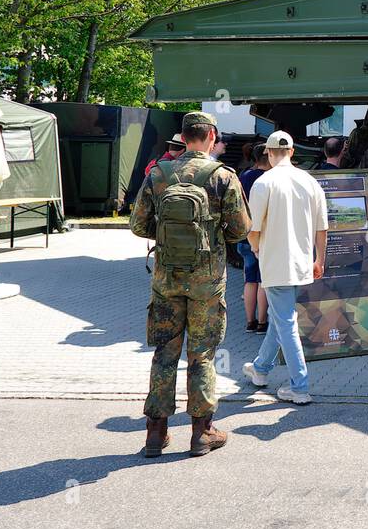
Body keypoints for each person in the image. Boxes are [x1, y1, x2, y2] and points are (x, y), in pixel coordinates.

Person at [131, 111, 250, 458]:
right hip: (206, 281)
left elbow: (138, 226)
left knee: (164, 353)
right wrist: (212, 240)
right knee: (202, 356)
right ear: (211, 136)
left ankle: (155, 434)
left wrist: (168, 238)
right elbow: (241, 229)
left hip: (166, 278)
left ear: (182, 137)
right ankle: (202, 432)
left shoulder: (158, 173)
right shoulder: (222, 176)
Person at [240, 131, 327, 404]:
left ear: (268, 152)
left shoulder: (264, 183)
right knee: (281, 317)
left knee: (286, 322)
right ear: (292, 151)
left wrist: (255, 248)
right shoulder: (310, 181)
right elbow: (322, 227)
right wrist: (319, 260)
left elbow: (252, 228)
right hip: (301, 262)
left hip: (275, 262)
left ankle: (299, 386)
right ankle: (261, 368)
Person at [237, 143, 270, 332]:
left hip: (244, 235)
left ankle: (249, 321)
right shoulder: (269, 179)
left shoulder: (244, 176)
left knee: (249, 280)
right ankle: (262, 322)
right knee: (263, 281)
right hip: (263, 237)